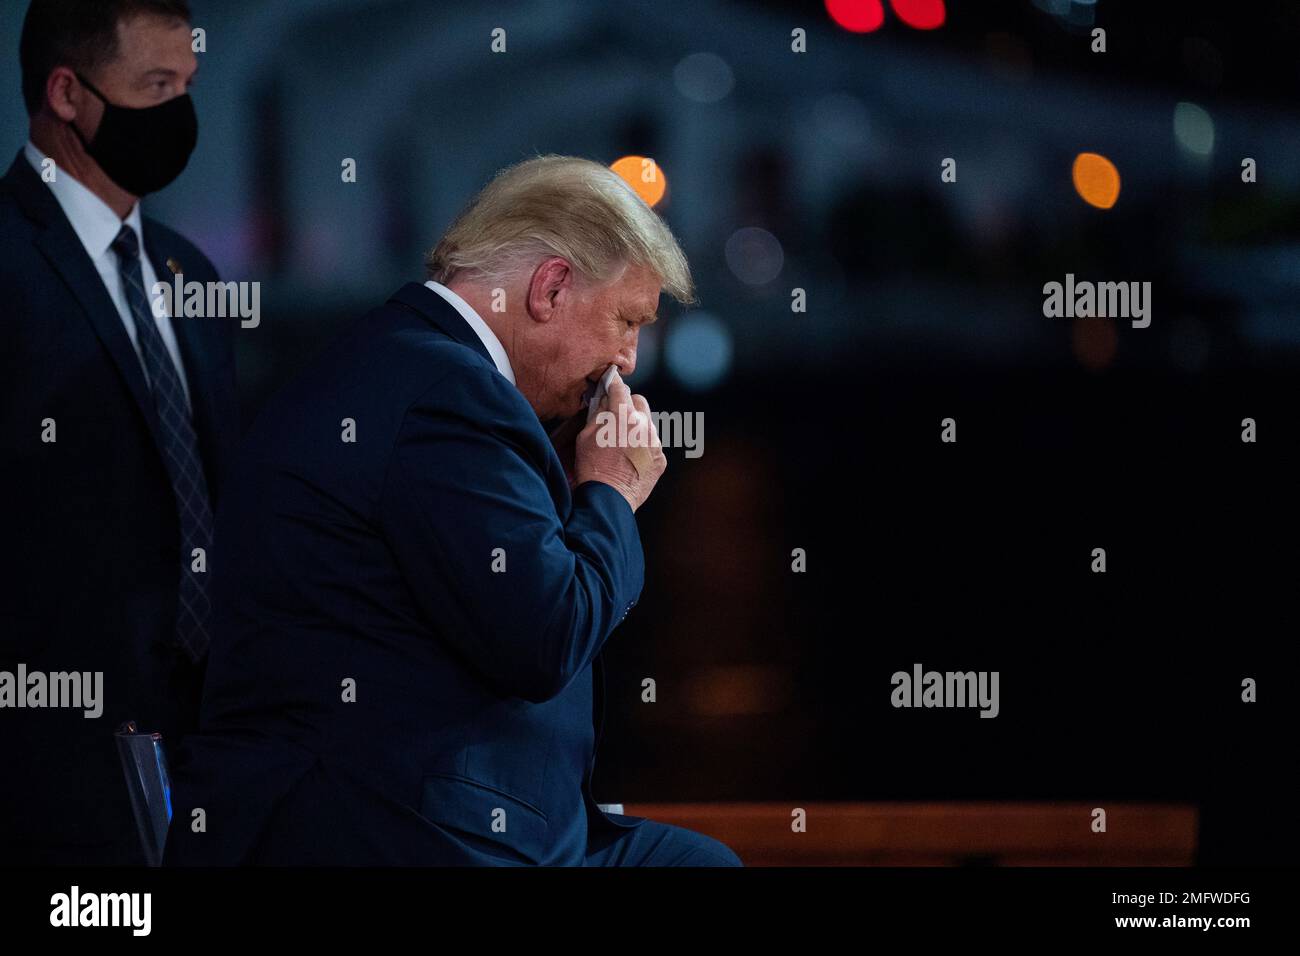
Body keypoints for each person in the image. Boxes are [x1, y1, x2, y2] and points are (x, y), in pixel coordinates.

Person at [164, 155, 742, 866]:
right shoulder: (451, 394)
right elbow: (547, 638)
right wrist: (611, 493)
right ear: (552, 286)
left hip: (406, 811)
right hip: (392, 832)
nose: (628, 359)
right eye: (627, 320)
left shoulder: (400, 359)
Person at [0, 0, 238, 864]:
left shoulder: (188, 269)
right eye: (155, 85)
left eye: (188, 85)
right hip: (48, 758)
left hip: (203, 736)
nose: (179, 113)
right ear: (67, 93)